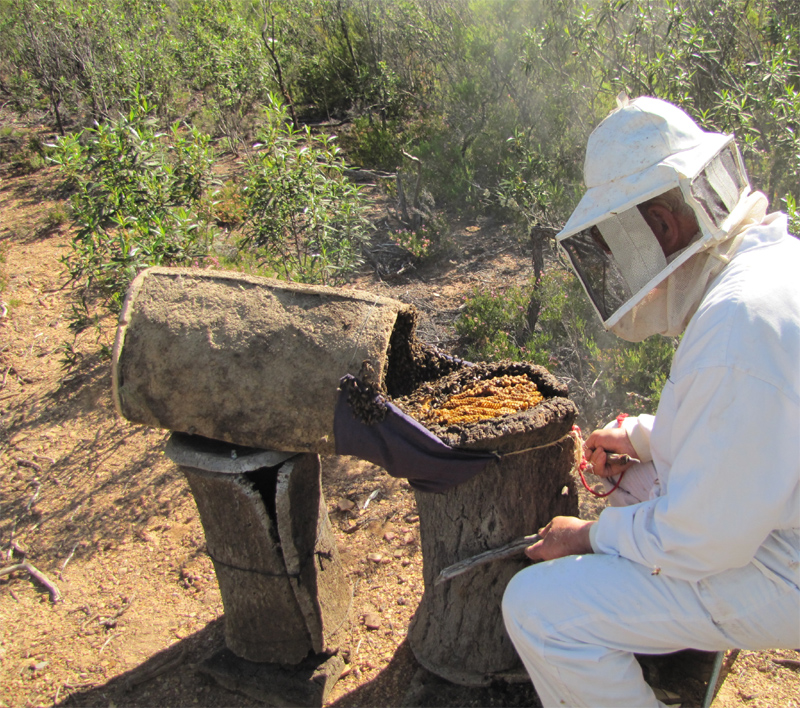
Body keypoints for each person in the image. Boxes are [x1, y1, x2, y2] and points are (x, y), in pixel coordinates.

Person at [501, 95, 800, 707]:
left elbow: (702, 541)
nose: (616, 265)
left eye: (616, 244)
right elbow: (750, 431)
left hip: (785, 569)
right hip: (778, 521)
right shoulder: (770, 274)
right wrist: (640, 437)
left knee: (537, 609)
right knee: (640, 483)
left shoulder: (738, 326)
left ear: (661, 225)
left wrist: (588, 536)